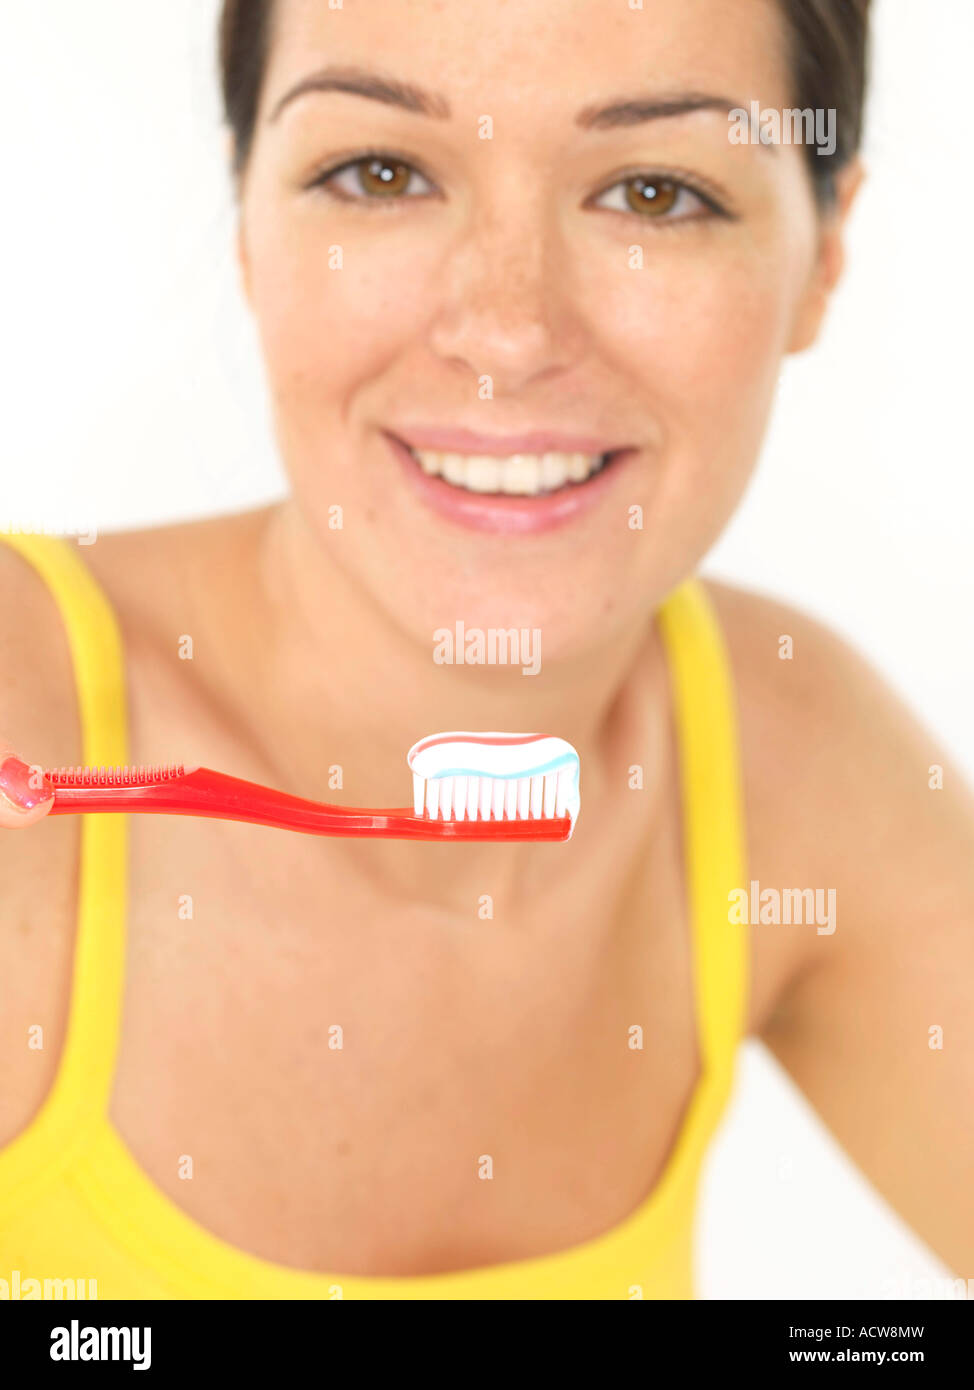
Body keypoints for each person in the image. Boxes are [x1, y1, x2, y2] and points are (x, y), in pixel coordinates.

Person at [1, 0, 970, 1299]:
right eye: (379, 173)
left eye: (653, 190)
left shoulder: (785, 768)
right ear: (247, 221)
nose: (507, 333)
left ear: (823, 255)